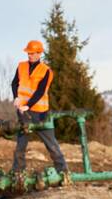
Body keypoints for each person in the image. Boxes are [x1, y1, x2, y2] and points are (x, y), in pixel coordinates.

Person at [9, 40, 69, 180]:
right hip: (23, 112)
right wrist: (16, 98)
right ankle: (18, 174)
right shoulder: (21, 66)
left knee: (51, 144)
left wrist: (28, 105)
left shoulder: (46, 71)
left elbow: (40, 91)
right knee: (21, 144)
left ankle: (63, 172)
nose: (30, 55)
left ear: (39, 53)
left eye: (32, 53)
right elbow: (14, 83)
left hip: (41, 113)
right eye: (28, 53)